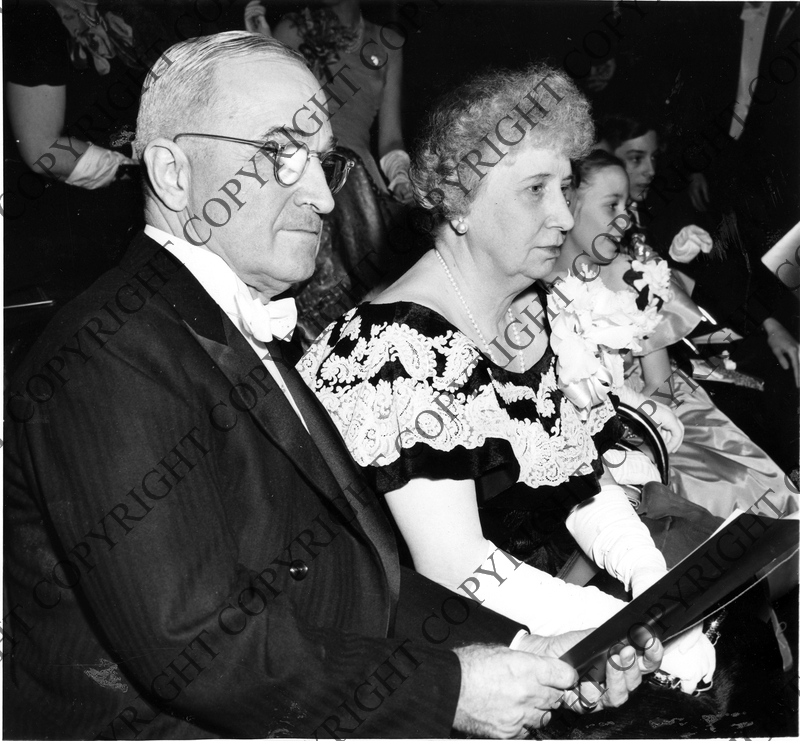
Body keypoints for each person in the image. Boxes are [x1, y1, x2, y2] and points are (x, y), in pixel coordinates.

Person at [2, 32, 661, 739]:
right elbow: (198, 649)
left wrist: (521, 648)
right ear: (171, 170)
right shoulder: (113, 350)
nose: (321, 195)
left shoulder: (234, 329)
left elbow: (357, 576)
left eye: (317, 161)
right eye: (279, 153)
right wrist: (452, 688)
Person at [300, 63, 712, 691]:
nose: (564, 218)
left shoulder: (529, 310)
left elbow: (581, 483)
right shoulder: (396, 349)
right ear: (460, 202)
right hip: (431, 664)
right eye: (534, 190)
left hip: (540, 612)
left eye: (566, 188)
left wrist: (650, 579)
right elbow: (457, 570)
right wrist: (622, 626)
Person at [551, 149, 800, 518]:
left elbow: (660, 384)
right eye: (611, 206)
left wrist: (642, 444)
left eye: (627, 206)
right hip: (586, 432)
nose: (623, 220)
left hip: (658, 412)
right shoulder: (538, 282)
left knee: (728, 484)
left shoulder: (632, 275)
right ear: (568, 205)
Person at [245, 0, 417, 347]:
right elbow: (272, 114)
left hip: (360, 183)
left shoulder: (387, 42)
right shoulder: (293, 30)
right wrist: (263, 54)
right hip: (303, 170)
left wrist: (401, 178)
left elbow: (391, 138)